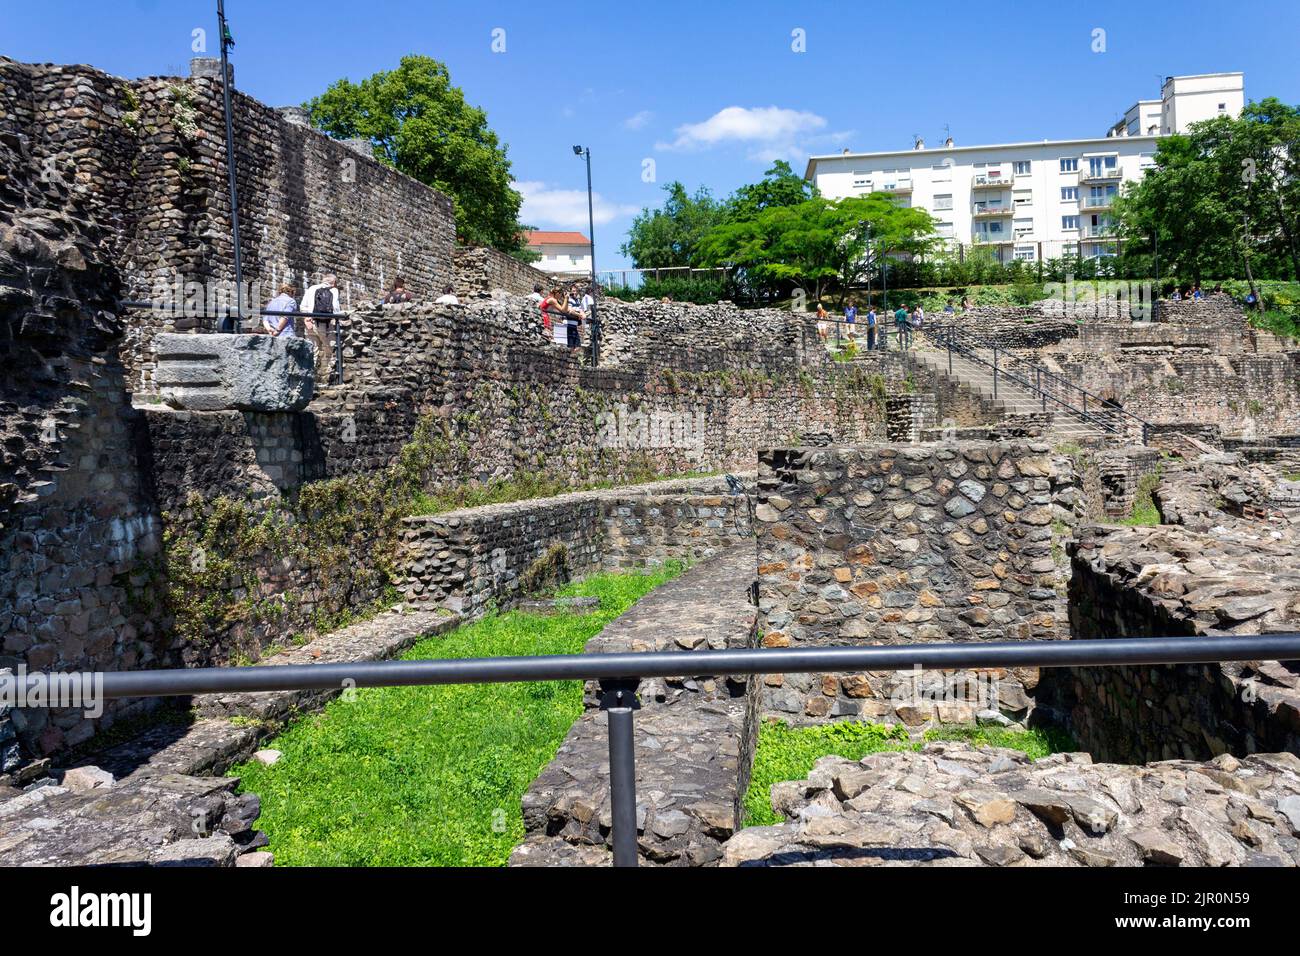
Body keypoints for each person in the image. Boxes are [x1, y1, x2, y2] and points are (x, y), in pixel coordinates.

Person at [300, 273, 339, 379]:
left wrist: (306, 319)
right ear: (334, 283)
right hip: (326, 325)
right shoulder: (333, 290)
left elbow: (303, 306)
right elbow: (335, 309)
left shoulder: (311, 288)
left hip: (310, 323)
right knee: (330, 349)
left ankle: (309, 378)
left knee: (312, 351)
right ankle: (325, 376)